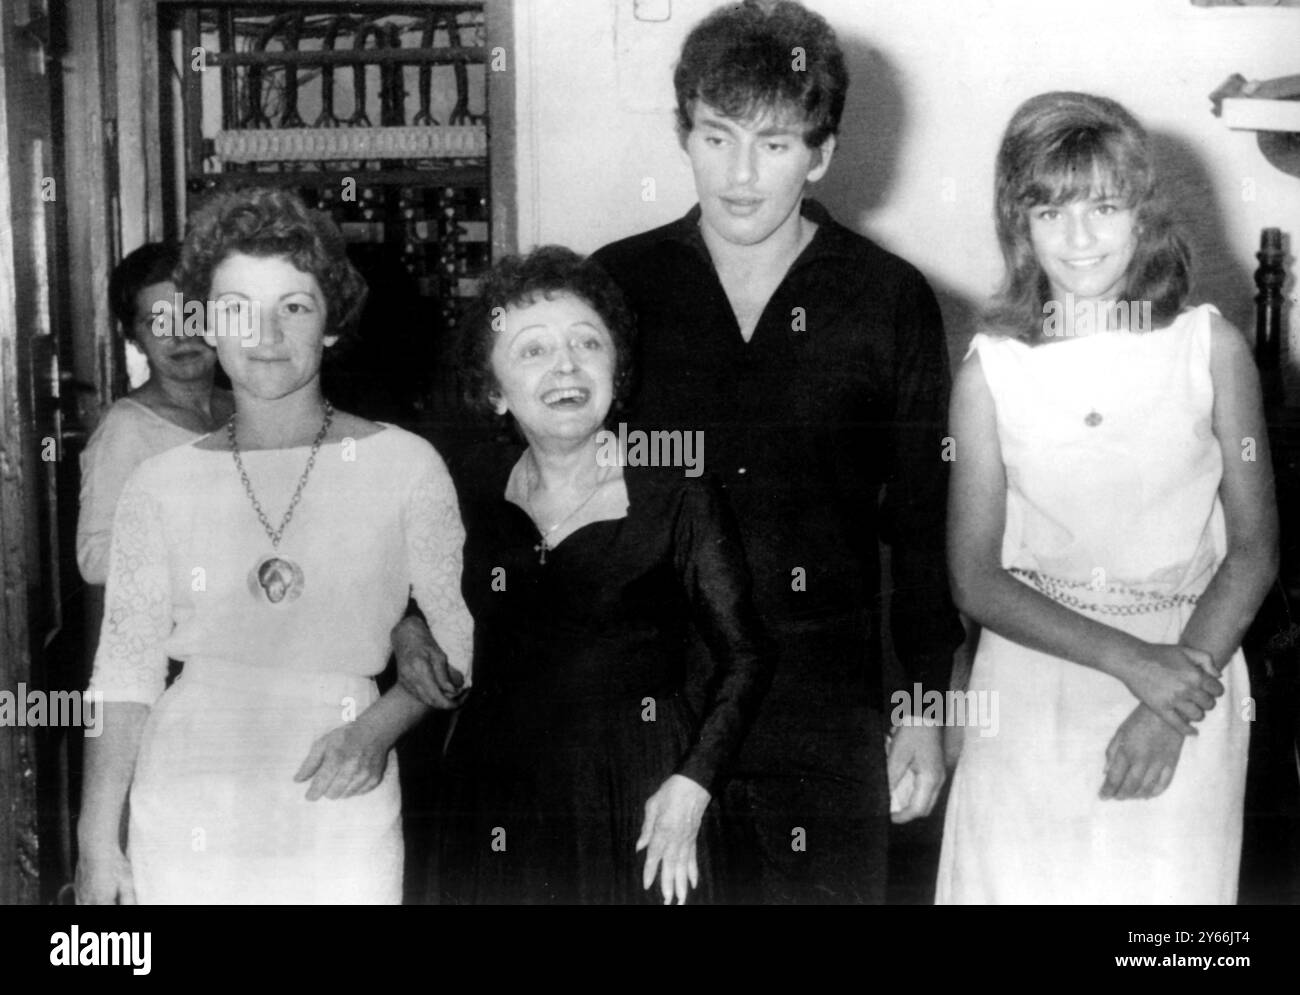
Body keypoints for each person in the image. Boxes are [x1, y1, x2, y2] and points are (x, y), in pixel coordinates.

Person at [588, 0, 964, 903]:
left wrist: (924, 708)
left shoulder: (887, 298)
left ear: (822, 154)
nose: (741, 175)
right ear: (684, 135)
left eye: (775, 144)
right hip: (658, 702)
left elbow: (922, 528)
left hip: (827, 705)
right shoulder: (616, 284)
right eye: (717, 138)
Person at [75, 187, 474, 905]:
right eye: (237, 308)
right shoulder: (157, 483)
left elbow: (455, 636)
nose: (264, 333)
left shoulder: (407, 465)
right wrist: (96, 839)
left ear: (331, 323)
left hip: (341, 782)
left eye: (293, 305)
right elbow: (125, 674)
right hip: (190, 787)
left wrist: (380, 727)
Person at [937, 91, 1277, 904]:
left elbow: (1257, 548)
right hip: (1033, 680)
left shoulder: (1211, 347)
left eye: (1104, 206)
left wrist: (1167, 704)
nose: (1079, 237)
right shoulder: (992, 371)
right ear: (1019, 224)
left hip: (1191, 671)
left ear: (1143, 214)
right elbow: (974, 577)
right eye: (1050, 210)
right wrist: (1135, 666)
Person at [397, 246, 773, 904]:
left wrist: (694, 783)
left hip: (645, 787)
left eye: (586, 342)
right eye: (532, 350)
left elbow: (747, 654)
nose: (565, 365)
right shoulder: (467, 487)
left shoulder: (675, 487)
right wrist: (408, 631)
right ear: (492, 388)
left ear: (616, 368)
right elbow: (414, 592)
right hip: (499, 789)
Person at [77, 241, 234, 587]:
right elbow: (95, 558)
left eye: (192, 316)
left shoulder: (244, 407)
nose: (180, 335)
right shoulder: (127, 426)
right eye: (158, 323)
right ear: (134, 339)